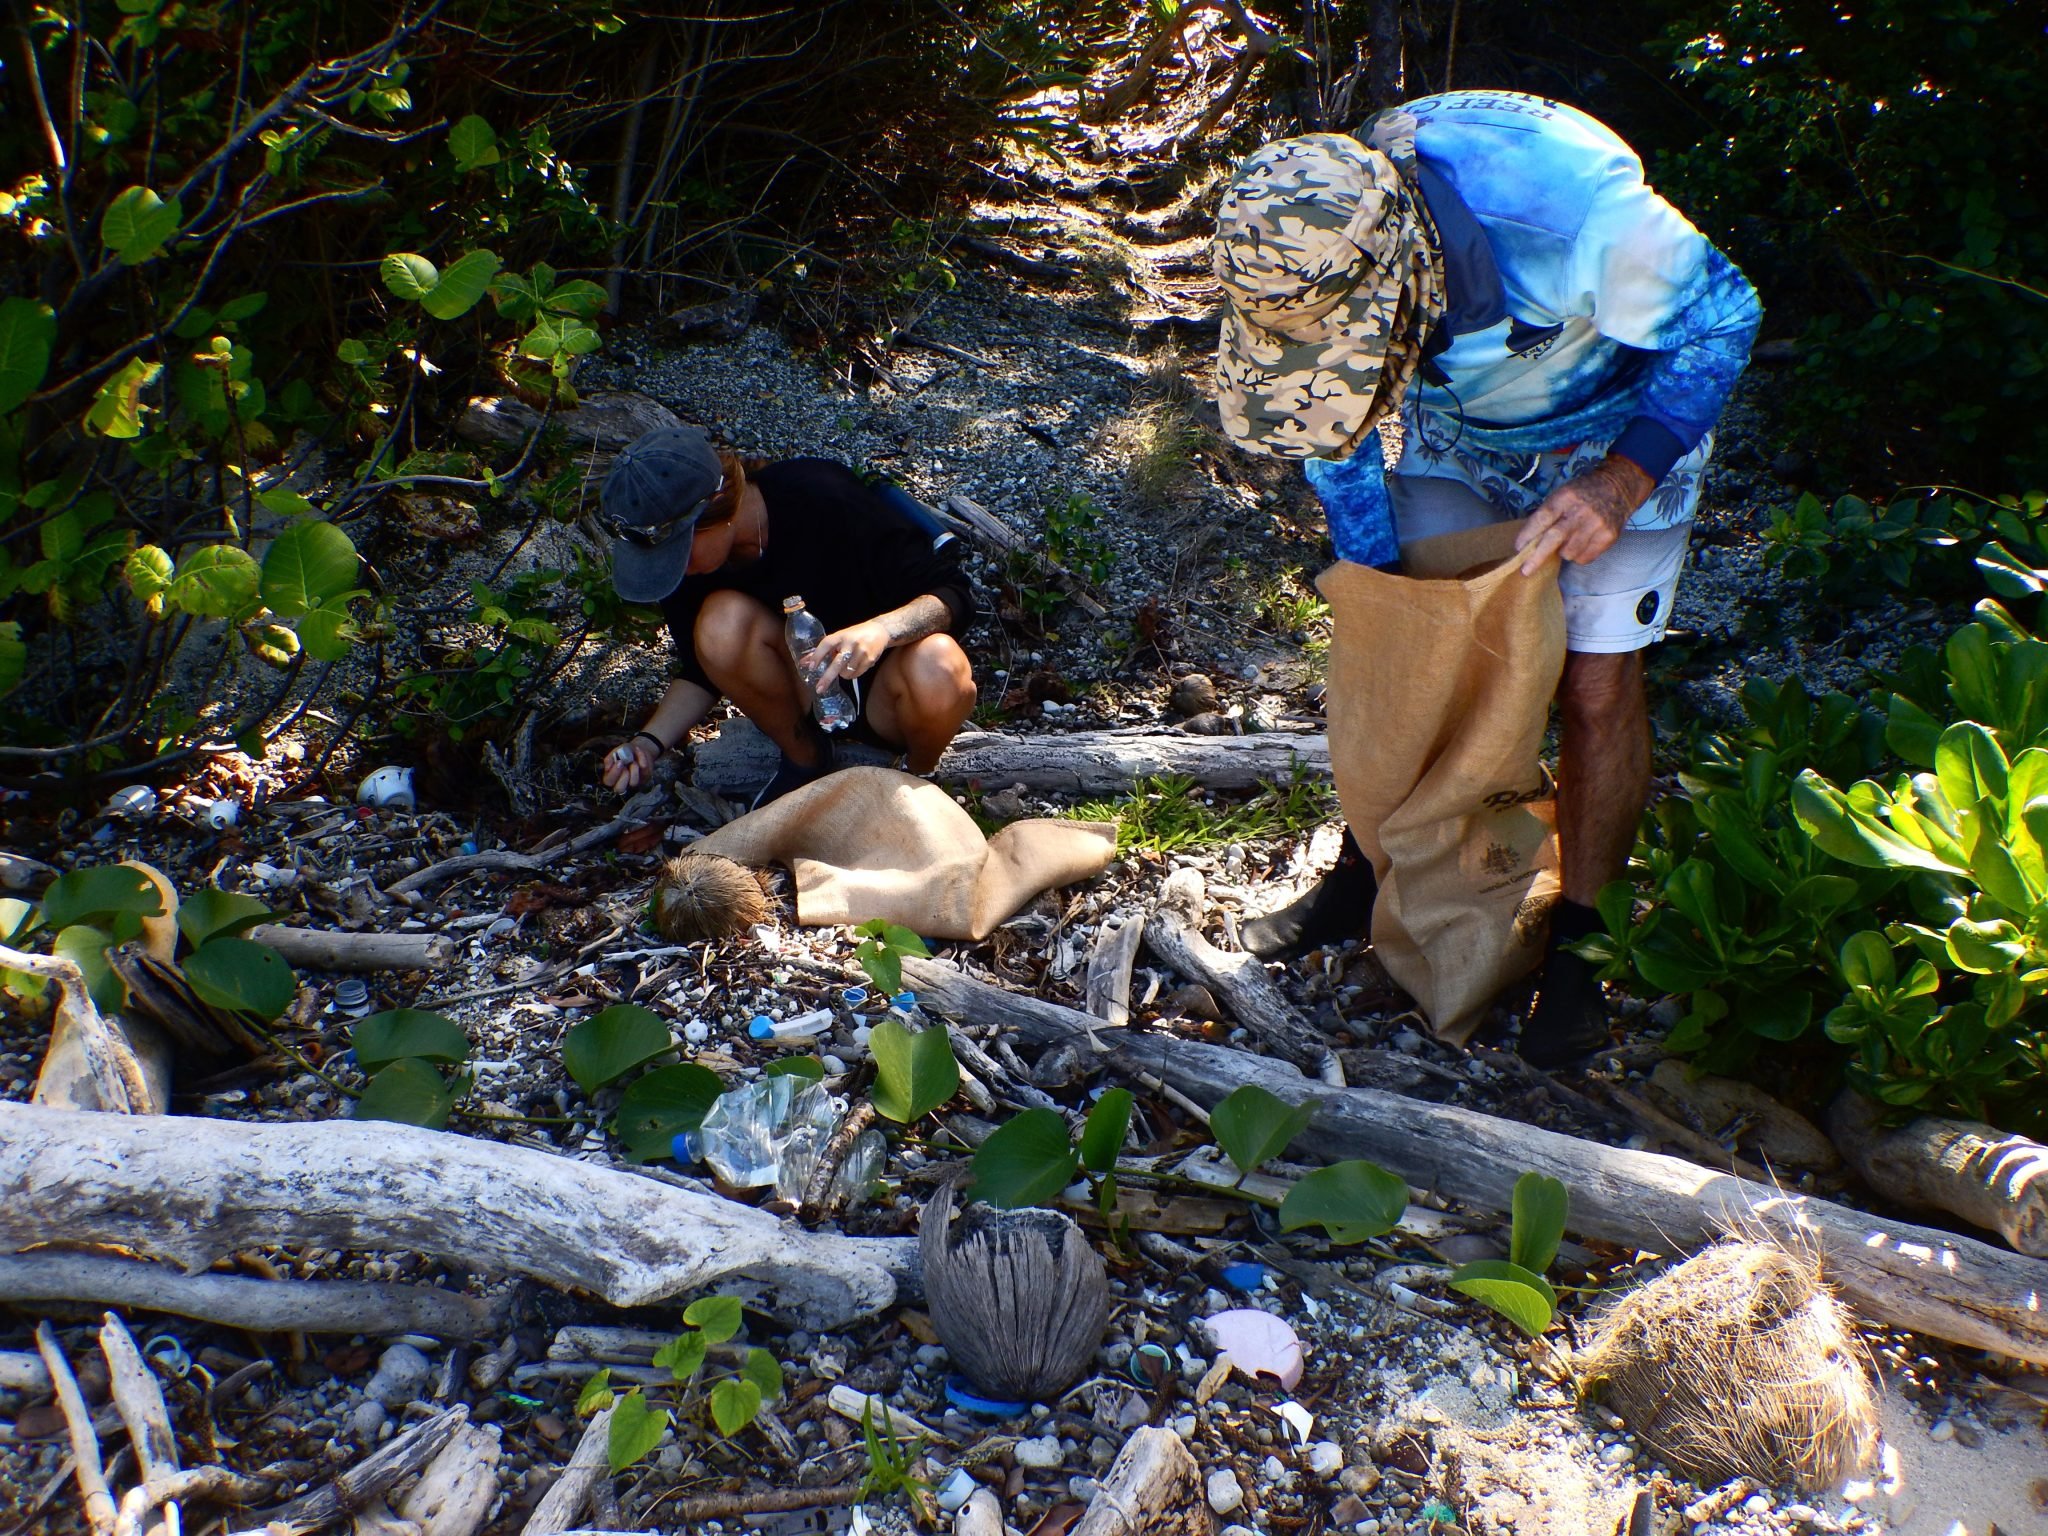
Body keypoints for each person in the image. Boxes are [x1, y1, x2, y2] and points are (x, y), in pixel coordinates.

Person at [1210, 90, 1761, 1066]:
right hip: (1458, 433)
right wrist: (1382, 585)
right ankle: (1365, 876)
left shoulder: (1563, 209)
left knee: (1594, 686)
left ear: (1404, 270)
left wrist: (1622, 481)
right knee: (1412, 655)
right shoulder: (1299, 239)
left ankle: (1580, 949)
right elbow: (1329, 425)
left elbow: (1724, 316)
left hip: (1620, 430)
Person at [596, 426, 978, 807]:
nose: (673, 568)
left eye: (678, 552)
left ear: (719, 507)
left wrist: (882, 630)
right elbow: (701, 670)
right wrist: (649, 743)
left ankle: (918, 779)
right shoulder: (690, 573)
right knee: (720, 622)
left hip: (888, 696)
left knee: (938, 662)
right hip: (806, 698)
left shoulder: (820, 496)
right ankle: (805, 760)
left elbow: (953, 594)